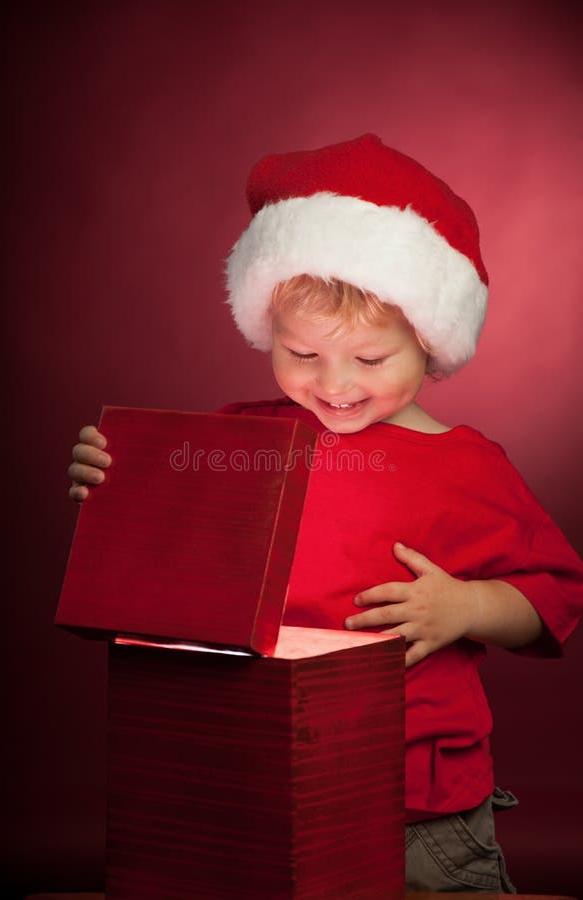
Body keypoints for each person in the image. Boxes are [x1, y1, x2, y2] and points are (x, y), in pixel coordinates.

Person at [67, 134, 583, 891]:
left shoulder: (469, 467)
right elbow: (153, 557)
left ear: (427, 341)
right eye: (301, 354)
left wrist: (467, 604)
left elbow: (558, 594)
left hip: (416, 815)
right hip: (248, 789)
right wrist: (111, 481)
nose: (334, 383)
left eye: (369, 360)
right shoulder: (241, 438)